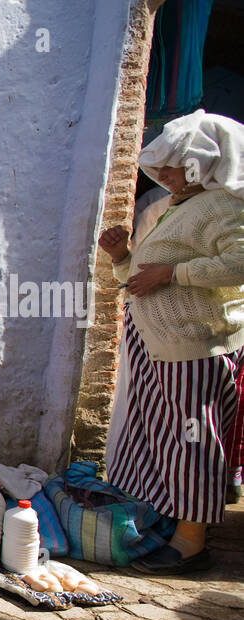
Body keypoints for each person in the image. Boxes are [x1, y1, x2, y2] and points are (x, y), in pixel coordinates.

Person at [98, 110, 244, 573]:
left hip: (192, 349)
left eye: (173, 165)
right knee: (163, 438)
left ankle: (190, 543)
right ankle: (167, 520)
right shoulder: (178, 207)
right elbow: (143, 276)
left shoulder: (224, 206)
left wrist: (173, 272)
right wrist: (122, 256)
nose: (161, 174)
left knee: (192, 442)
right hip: (158, 346)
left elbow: (239, 263)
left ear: (202, 162)